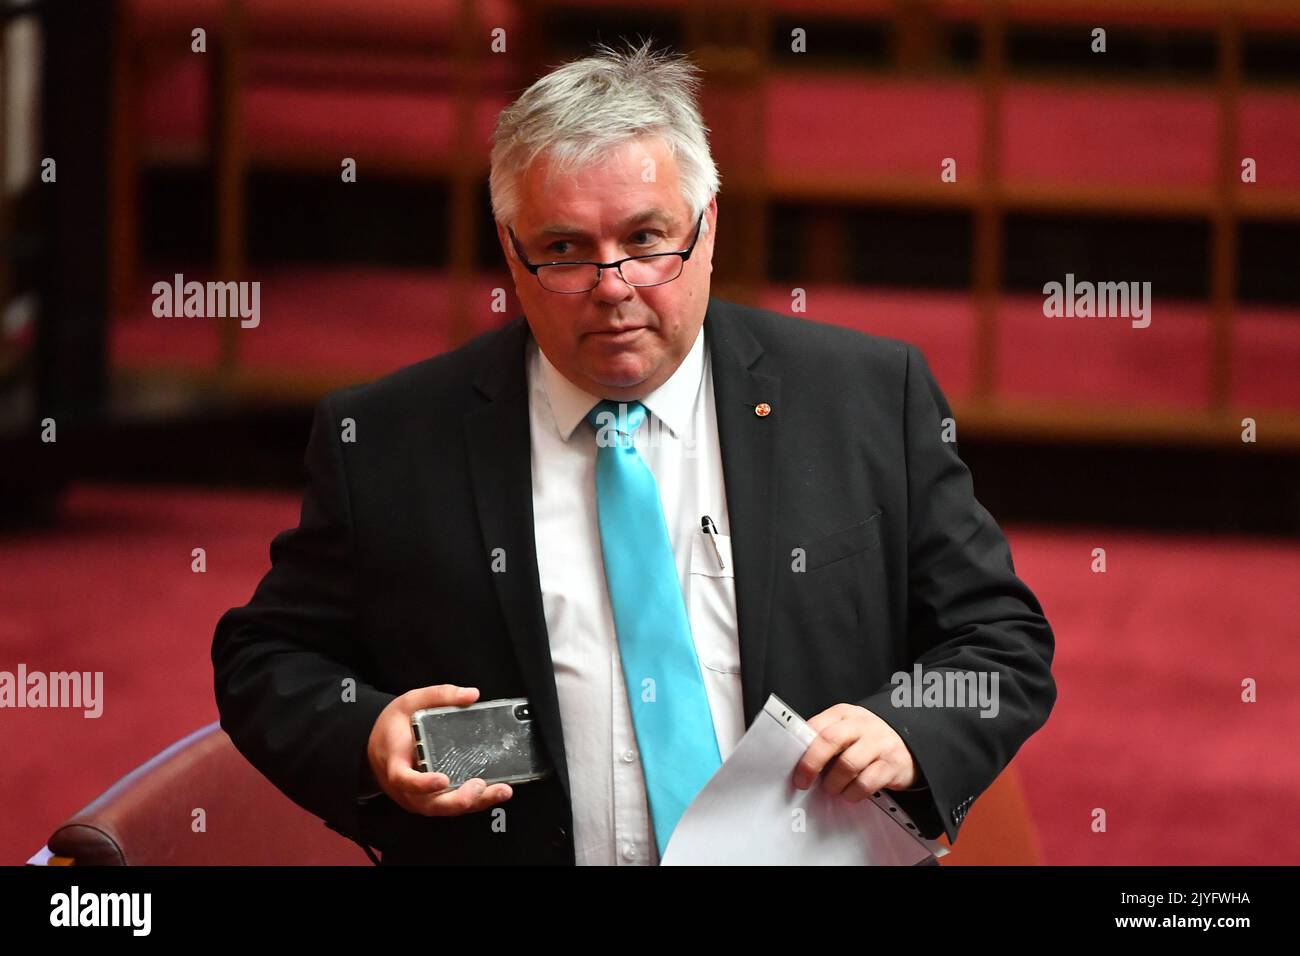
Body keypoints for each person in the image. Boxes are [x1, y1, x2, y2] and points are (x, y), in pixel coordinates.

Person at [212, 39, 1056, 866]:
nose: (613, 286)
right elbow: (267, 659)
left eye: (648, 241)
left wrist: (908, 728)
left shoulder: (867, 398)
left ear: (707, 226)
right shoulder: (390, 439)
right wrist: (370, 734)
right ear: (512, 250)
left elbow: (999, 639)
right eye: (566, 250)